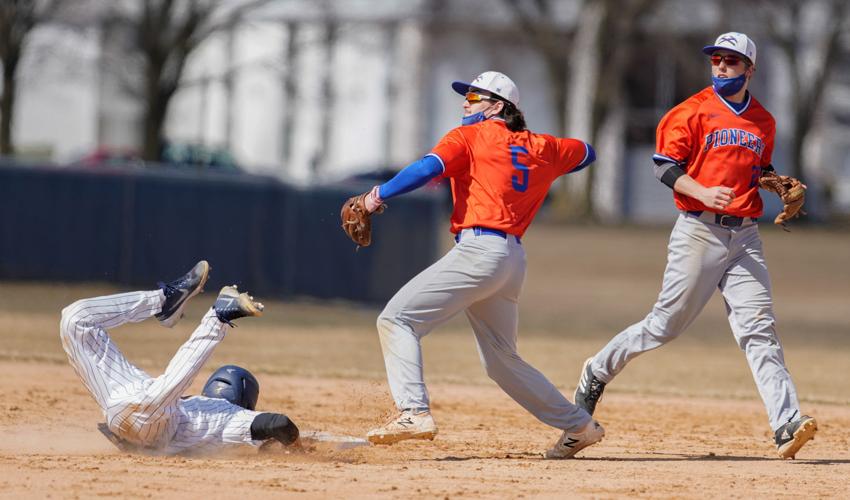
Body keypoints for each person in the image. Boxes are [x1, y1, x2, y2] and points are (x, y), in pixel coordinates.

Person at [572, 32, 817, 459]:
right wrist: (702, 192)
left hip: (746, 235)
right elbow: (664, 166)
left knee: (759, 328)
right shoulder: (690, 112)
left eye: (731, 60)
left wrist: (776, 183)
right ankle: (597, 369)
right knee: (664, 326)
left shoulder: (763, 120)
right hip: (699, 230)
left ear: (750, 69)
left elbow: (757, 167)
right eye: (716, 59)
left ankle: (786, 423)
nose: (721, 66)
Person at [352, 71, 602, 458]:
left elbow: (427, 168)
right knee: (502, 361)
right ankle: (579, 426)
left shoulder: (469, 137)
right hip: (511, 260)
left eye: (472, 98)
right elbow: (587, 153)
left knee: (397, 320)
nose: (464, 104)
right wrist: (536, 155)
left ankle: (413, 412)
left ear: (497, 106)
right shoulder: (543, 146)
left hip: (479, 251)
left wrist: (375, 197)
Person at [60, 260, 300, 455]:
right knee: (163, 391)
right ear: (245, 401)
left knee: (75, 319)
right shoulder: (232, 416)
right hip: (142, 415)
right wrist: (299, 449)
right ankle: (212, 316)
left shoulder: (195, 403)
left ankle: (163, 300)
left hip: (125, 397)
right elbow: (277, 424)